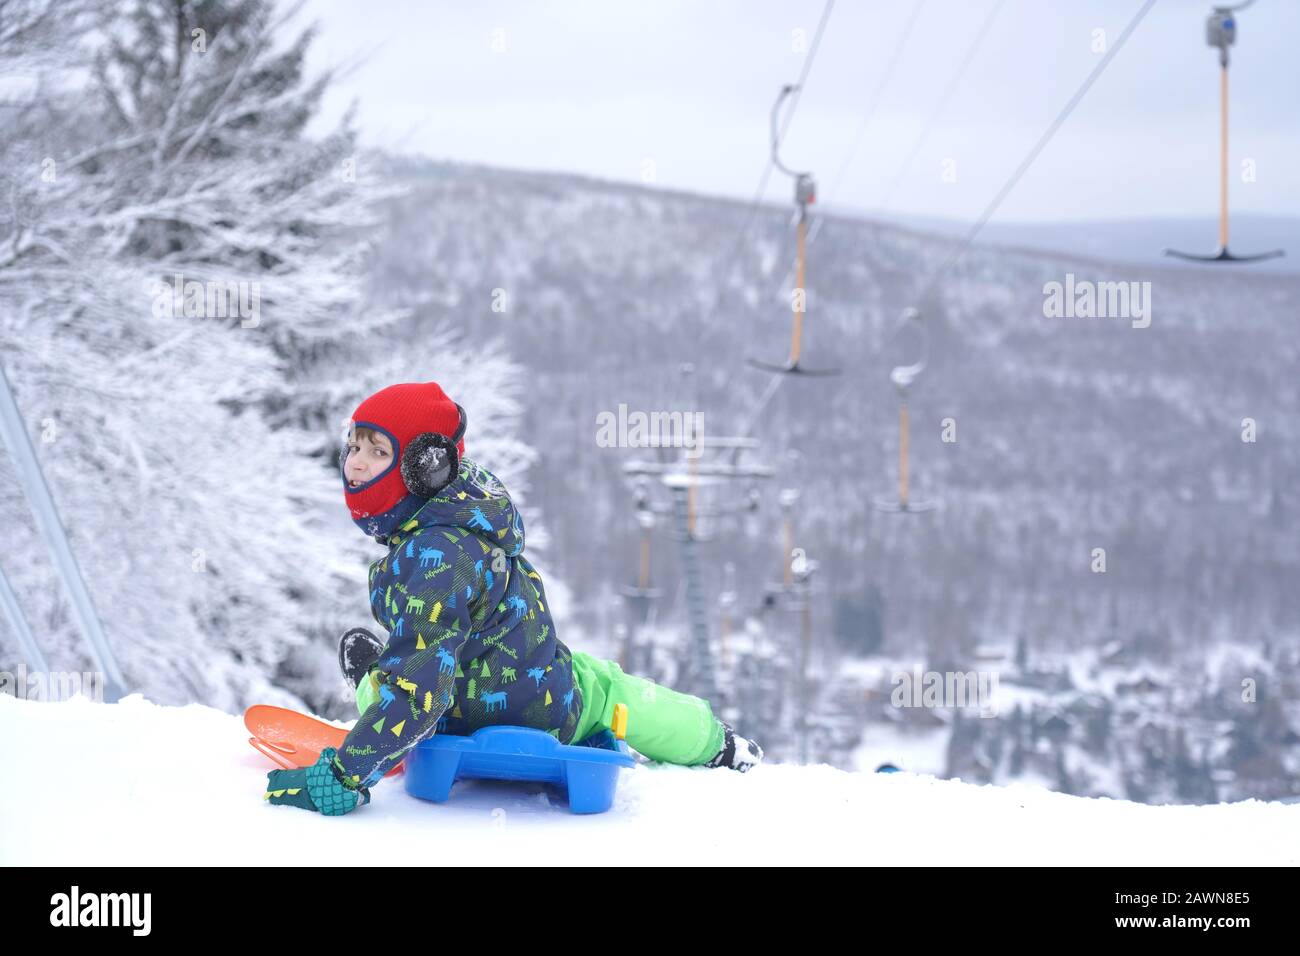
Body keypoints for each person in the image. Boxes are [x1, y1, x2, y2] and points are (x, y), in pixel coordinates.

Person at [265, 381, 762, 815]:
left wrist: (344, 777)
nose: (355, 464)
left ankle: (373, 687)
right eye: (353, 446)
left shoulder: (430, 554)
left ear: (425, 469)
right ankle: (717, 743)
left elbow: (420, 695)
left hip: (449, 712)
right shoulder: (464, 522)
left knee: (397, 681)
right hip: (550, 705)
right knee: (609, 689)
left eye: (378, 452)